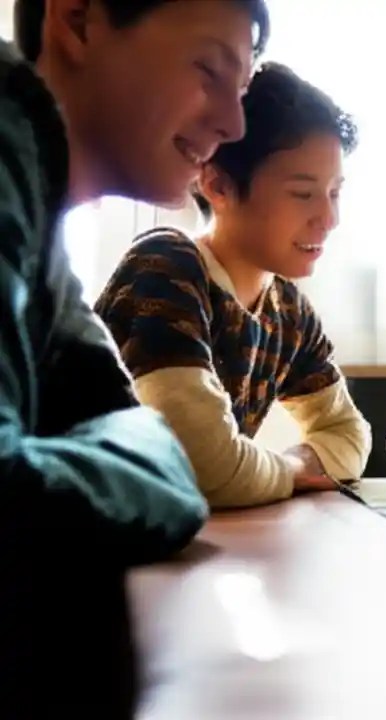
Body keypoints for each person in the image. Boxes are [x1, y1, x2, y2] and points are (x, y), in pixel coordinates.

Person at [0, 0, 269, 562]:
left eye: (240, 90)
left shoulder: (42, 228)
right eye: (208, 69)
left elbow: (150, 450)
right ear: (76, 22)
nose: (234, 124)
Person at [95, 62, 371, 509]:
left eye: (335, 192)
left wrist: (287, 465)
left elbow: (348, 434)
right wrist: (292, 471)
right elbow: (204, 468)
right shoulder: (166, 269)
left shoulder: (287, 311)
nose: (329, 218)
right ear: (218, 184)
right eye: (303, 194)